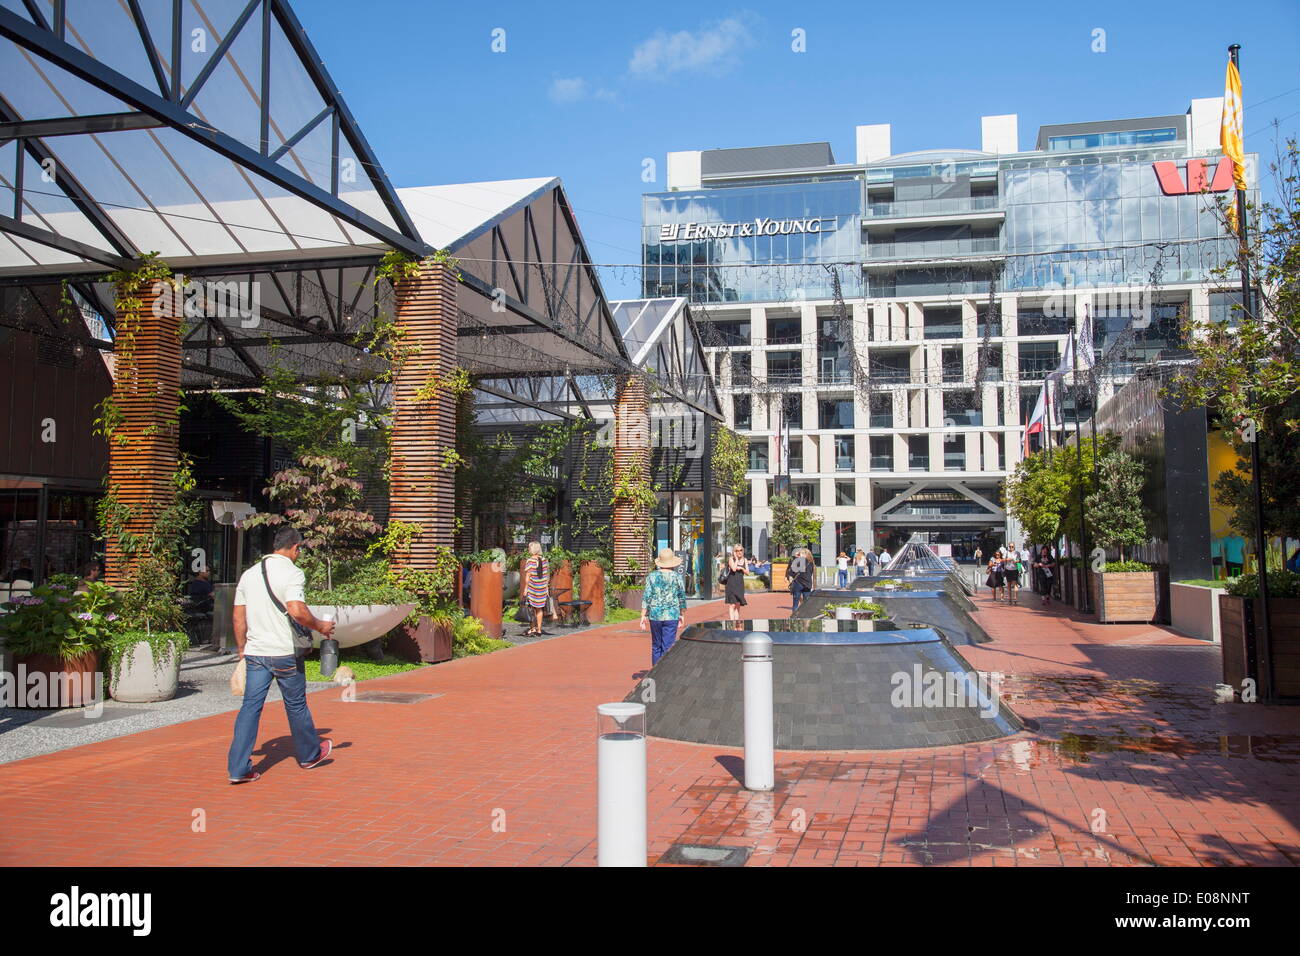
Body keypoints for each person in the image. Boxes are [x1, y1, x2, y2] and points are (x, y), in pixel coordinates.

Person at [227, 527, 336, 785]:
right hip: (285, 652)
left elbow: (238, 617)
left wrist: (242, 649)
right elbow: (297, 610)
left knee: (250, 708)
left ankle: (238, 769)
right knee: (295, 705)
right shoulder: (292, 573)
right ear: (295, 547)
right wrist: (321, 626)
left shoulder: (249, 574)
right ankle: (310, 754)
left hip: (256, 653)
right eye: (299, 550)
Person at [640, 548, 687, 664]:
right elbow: (681, 597)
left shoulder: (652, 576)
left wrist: (643, 615)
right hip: (671, 615)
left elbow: (647, 597)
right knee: (668, 647)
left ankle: (655, 673)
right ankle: (664, 673)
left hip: (655, 615)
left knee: (656, 646)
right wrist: (682, 614)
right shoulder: (677, 577)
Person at [522, 541, 550, 636]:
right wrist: (546, 587)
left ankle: (532, 628)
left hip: (533, 588)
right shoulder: (544, 560)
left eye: (529, 548)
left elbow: (528, 577)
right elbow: (547, 576)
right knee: (539, 609)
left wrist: (525, 589)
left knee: (531, 609)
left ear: (533, 549)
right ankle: (539, 630)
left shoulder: (530, 561)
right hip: (541, 589)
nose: (528, 550)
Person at [788, 547, 814, 612]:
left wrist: (791, 582)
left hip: (798, 583)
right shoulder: (811, 562)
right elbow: (810, 573)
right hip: (807, 583)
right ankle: (805, 615)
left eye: (800, 553)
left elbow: (791, 574)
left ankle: (794, 616)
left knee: (795, 603)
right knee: (806, 603)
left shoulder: (796, 561)